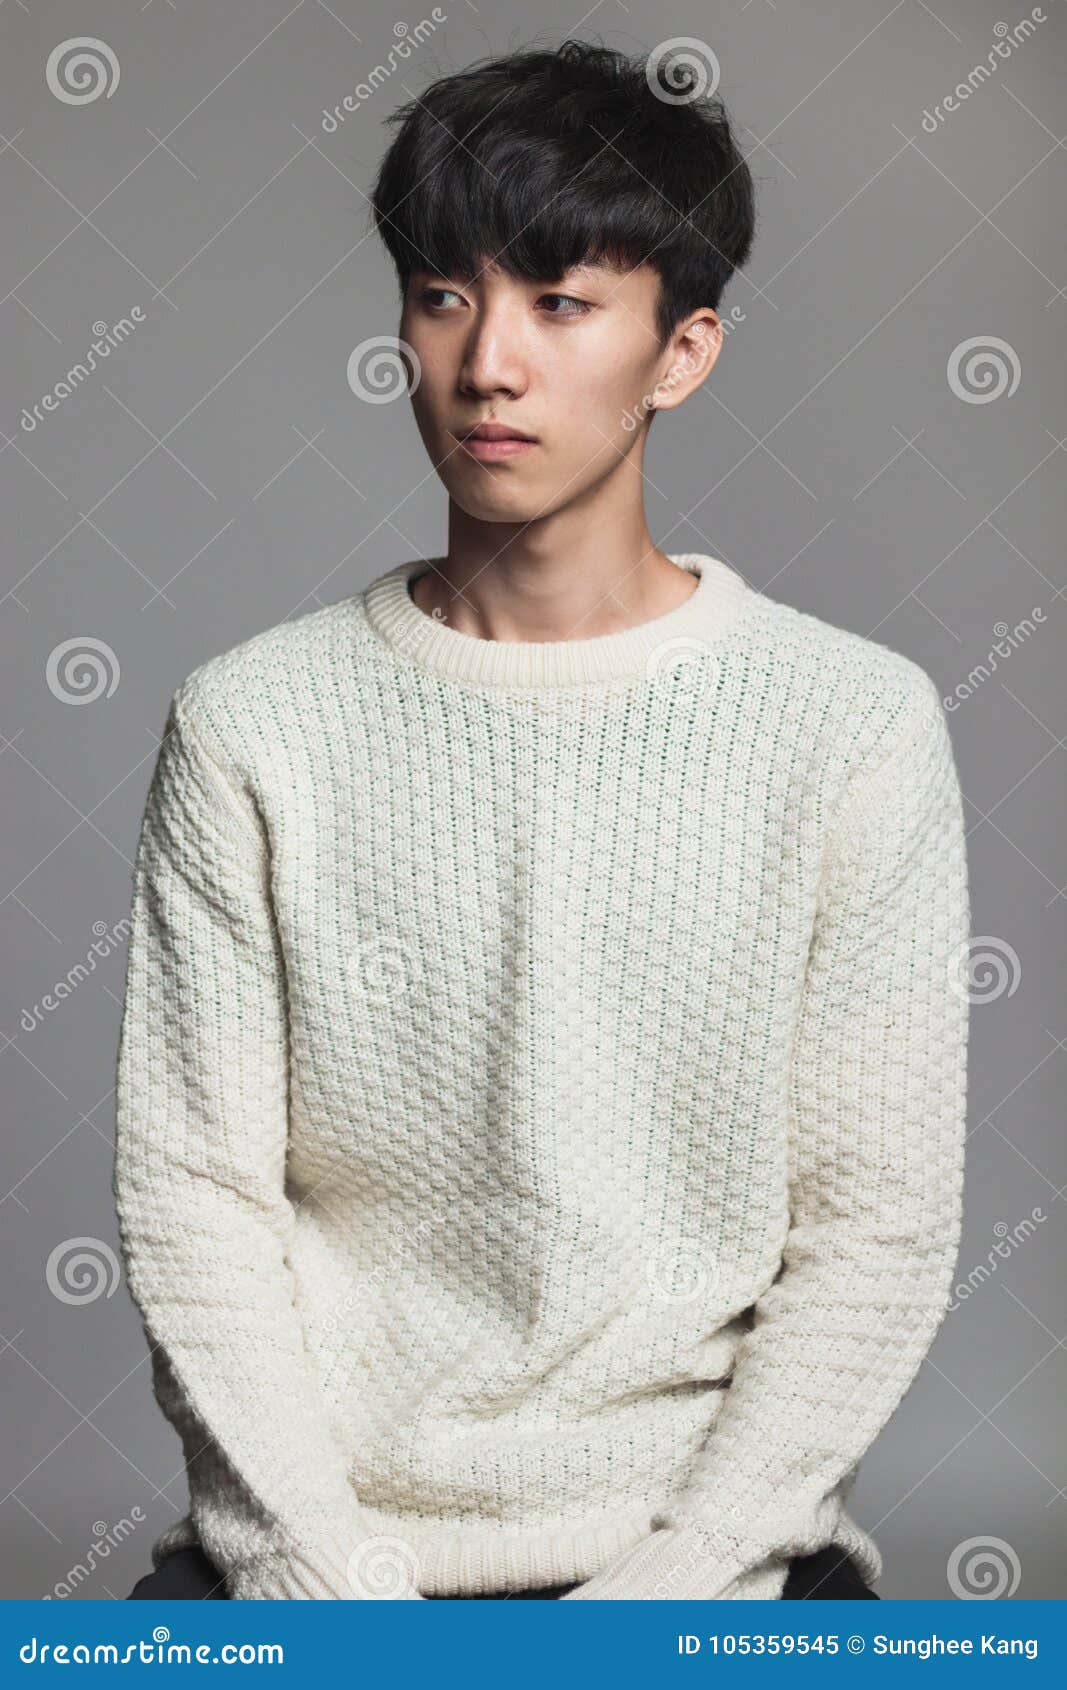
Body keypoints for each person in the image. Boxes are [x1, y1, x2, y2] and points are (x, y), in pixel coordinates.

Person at [115, 39, 968, 1602]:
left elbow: (876, 1230)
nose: (488, 363)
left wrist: (674, 1586)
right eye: (445, 294)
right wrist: (327, 1579)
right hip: (320, 1550)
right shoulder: (252, 721)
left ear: (680, 353)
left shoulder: (853, 724)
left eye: (561, 304)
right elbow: (195, 1206)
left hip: (716, 1564)